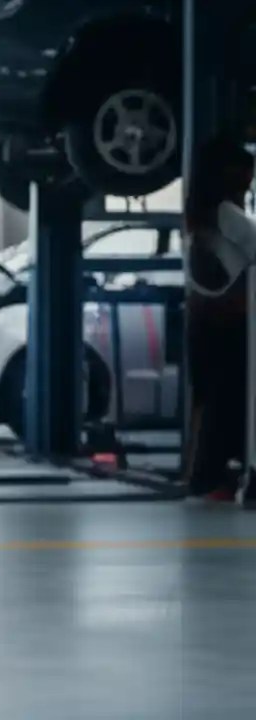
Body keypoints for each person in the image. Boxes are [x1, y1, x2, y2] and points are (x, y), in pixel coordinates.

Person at [181, 135, 256, 501]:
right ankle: (217, 477)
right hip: (233, 323)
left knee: (212, 401)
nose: (250, 179)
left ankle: (208, 477)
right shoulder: (228, 214)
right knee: (233, 401)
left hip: (204, 321)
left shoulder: (200, 216)